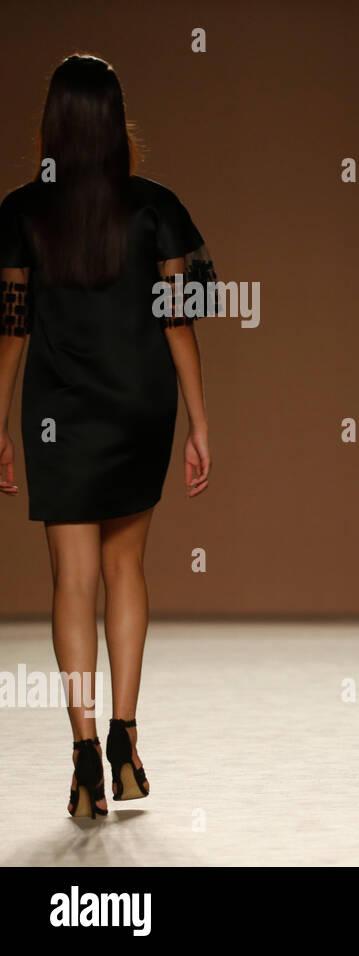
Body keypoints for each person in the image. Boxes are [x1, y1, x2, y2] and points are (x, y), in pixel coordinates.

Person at [0, 54, 216, 818]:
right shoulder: (156, 208)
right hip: (139, 408)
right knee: (127, 572)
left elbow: (13, 330)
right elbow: (179, 319)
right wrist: (198, 419)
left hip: (59, 416)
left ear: (53, 123)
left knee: (73, 581)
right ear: (116, 120)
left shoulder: (24, 212)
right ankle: (125, 740)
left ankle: (85, 752)